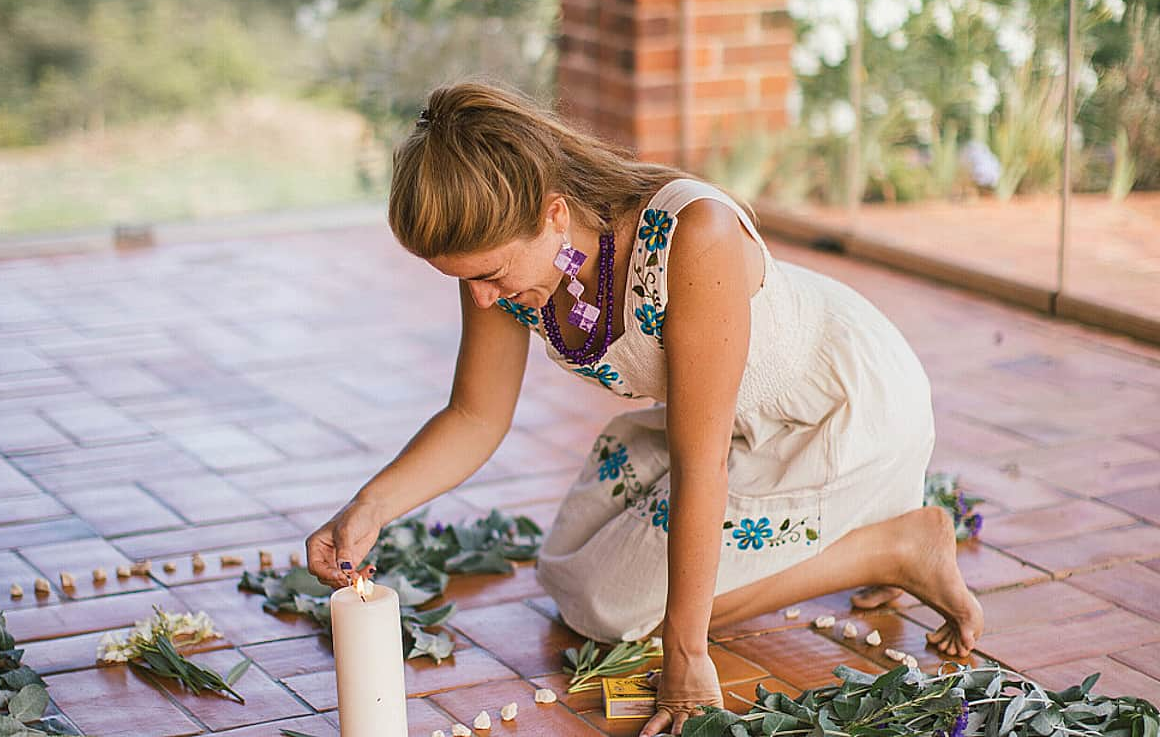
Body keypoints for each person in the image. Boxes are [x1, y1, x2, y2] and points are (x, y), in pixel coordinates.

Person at [306, 80, 984, 737]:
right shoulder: (504, 261)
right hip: (730, 419)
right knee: (571, 568)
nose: (482, 299)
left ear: (553, 214)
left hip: (836, 413)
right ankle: (862, 538)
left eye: (487, 275)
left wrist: (687, 654)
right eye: (464, 280)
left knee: (619, 606)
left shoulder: (694, 235)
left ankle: (896, 546)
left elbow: (701, 461)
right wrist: (368, 507)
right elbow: (476, 417)